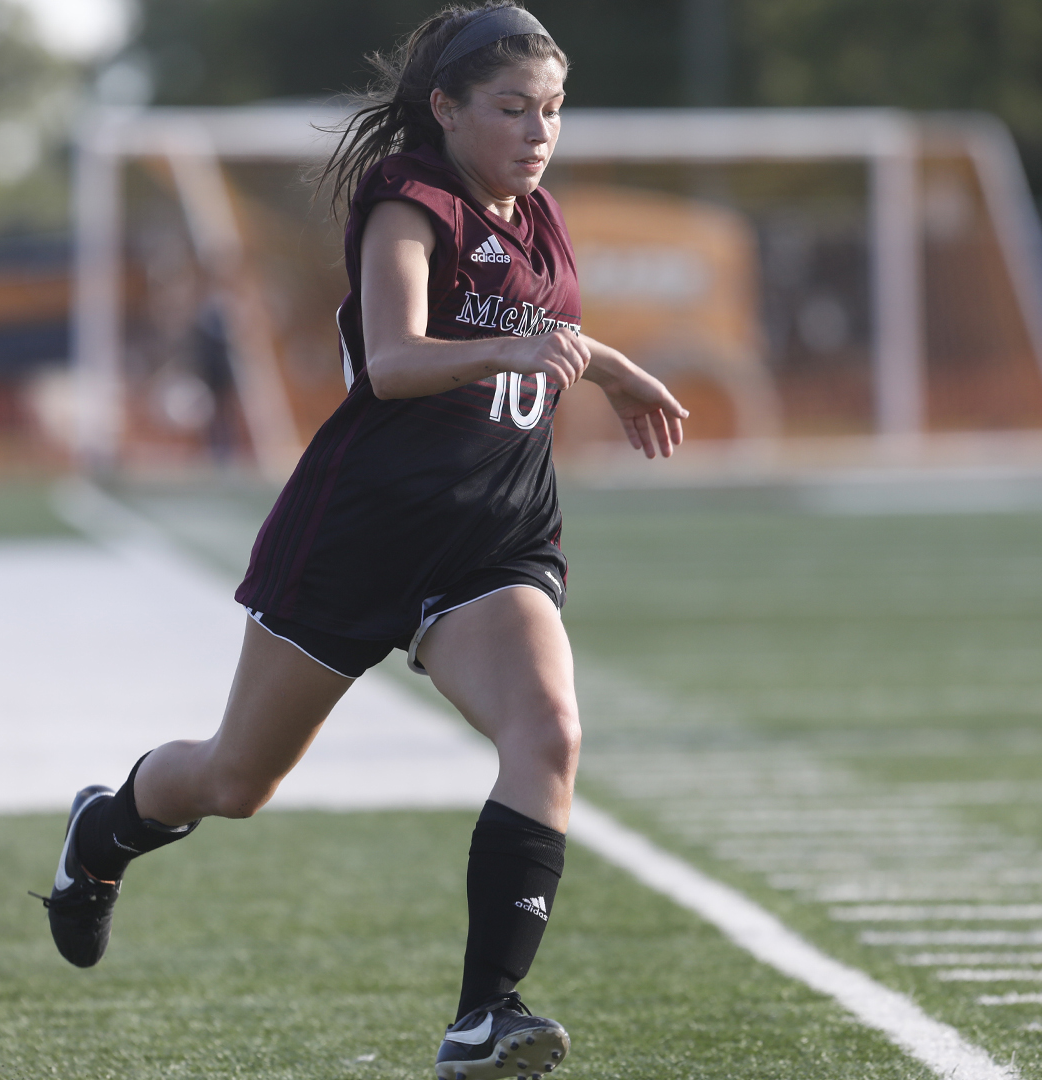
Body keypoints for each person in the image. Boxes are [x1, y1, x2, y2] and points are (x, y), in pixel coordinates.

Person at [34, 5, 687, 1077]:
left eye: (553, 110)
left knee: (549, 735)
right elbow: (394, 358)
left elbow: (544, 326)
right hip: (362, 535)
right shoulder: (407, 199)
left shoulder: (537, 213)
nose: (537, 132)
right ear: (447, 108)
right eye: (513, 108)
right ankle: (104, 833)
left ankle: (487, 1017)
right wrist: (523, 347)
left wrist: (610, 369)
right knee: (238, 781)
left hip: (493, 543)